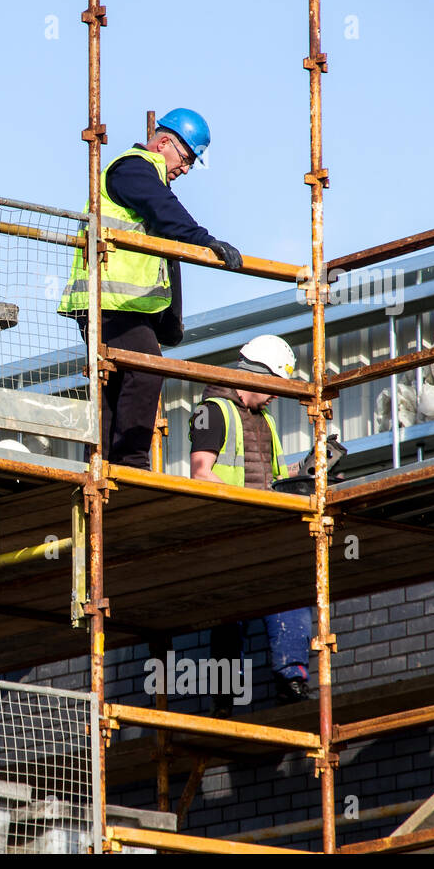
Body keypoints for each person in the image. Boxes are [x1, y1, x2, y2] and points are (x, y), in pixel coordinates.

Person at [60, 108, 244, 469]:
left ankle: (101, 462)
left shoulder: (145, 177)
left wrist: (167, 322)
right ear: (163, 143)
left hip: (121, 303)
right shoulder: (132, 169)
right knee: (146, 368)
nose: (187, 169)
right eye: (187, 158)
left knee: (113, 381)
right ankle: (132, 462)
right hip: (110, 300)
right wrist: (207, 241)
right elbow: (164, 211)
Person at [187, 334, 314, 707]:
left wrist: (305, 468)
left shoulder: (264, 421)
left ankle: (291, 680)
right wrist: (248, 503)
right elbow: (200, 474)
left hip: (261, 526)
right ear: (254, 374)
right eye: (273, 385)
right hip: (226, 527)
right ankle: (224, 698)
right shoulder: (213, 411)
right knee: (229, 615)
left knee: (287, 592)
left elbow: (271, 478)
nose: (276, 395)